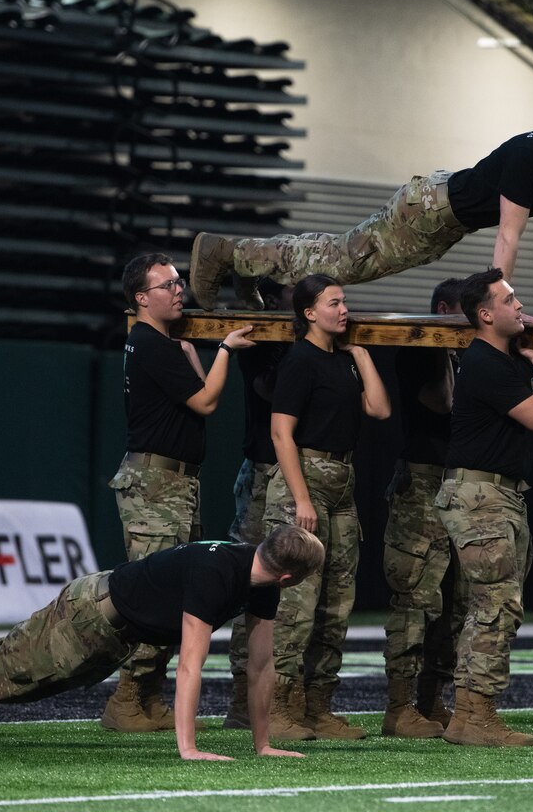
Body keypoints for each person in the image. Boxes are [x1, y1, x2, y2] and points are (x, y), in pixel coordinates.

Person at [0, 526, 326, 760]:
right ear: (288, 576)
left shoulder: (261, 581)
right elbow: (189, 666)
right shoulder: (217, 575)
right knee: (3, 674)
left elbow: (261, 668)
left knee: (21, 684)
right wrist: (189, 748)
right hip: (90, 613)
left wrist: (262, 745)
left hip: (115, 628)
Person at [189, 113, 533, 319]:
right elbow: (508, 237)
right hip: (427, 208)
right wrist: (500, 307)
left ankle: (248, 267)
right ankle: (226, 253)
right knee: (341, 261)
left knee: (342, 260)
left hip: (444, 221)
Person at [103, 252, 255, 733]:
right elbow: (206, 401)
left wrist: (193, 356)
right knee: (155, 592)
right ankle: (129, 699)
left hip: (171, 481)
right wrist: (226, 350)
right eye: (166, 285)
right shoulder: (150, 343)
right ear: (141, 299)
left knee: (173, 591)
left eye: (178, 282)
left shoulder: (157, 342)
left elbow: (189, 397)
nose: (179, 291)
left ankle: (146, 698)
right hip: (155, 484)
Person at [437, 267, 533, 747]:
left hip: (501, 494)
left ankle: (469, 713)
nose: (519, 306)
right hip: (479, 493)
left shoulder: (507, 359)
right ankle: (475, 715)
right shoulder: (485, 362)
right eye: (509, 300)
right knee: (496, 604)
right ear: (486, 314)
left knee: (496, 605)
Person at [264, 274, 392, 740]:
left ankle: (318, 707)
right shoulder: (300, 360)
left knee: (337, 601)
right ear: (308, 313)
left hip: (342, 481)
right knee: (298, 601)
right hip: (307, 478)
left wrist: (361, 354)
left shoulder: (344, 360)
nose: (344, 309)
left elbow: (379, 410)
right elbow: (281, 433)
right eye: (334, 303)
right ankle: (279, 709)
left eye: (344, 301)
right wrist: (300, 498)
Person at [381, 278, 466, 738]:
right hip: (422, 484)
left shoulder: (466, 353)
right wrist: (439, 345)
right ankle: (400, 706)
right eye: (461, 313)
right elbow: (442, 401)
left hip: (459, 485)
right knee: (415, 597)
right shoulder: (418, 352)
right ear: (441, 311)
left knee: (455, 602)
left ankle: (434, 700)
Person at [225, 279, 293, 729]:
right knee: (250, 579)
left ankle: (282, 698)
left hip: (287, 469)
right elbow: (273, 390)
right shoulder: (259, 341)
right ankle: (240, 701)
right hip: (263, 469)